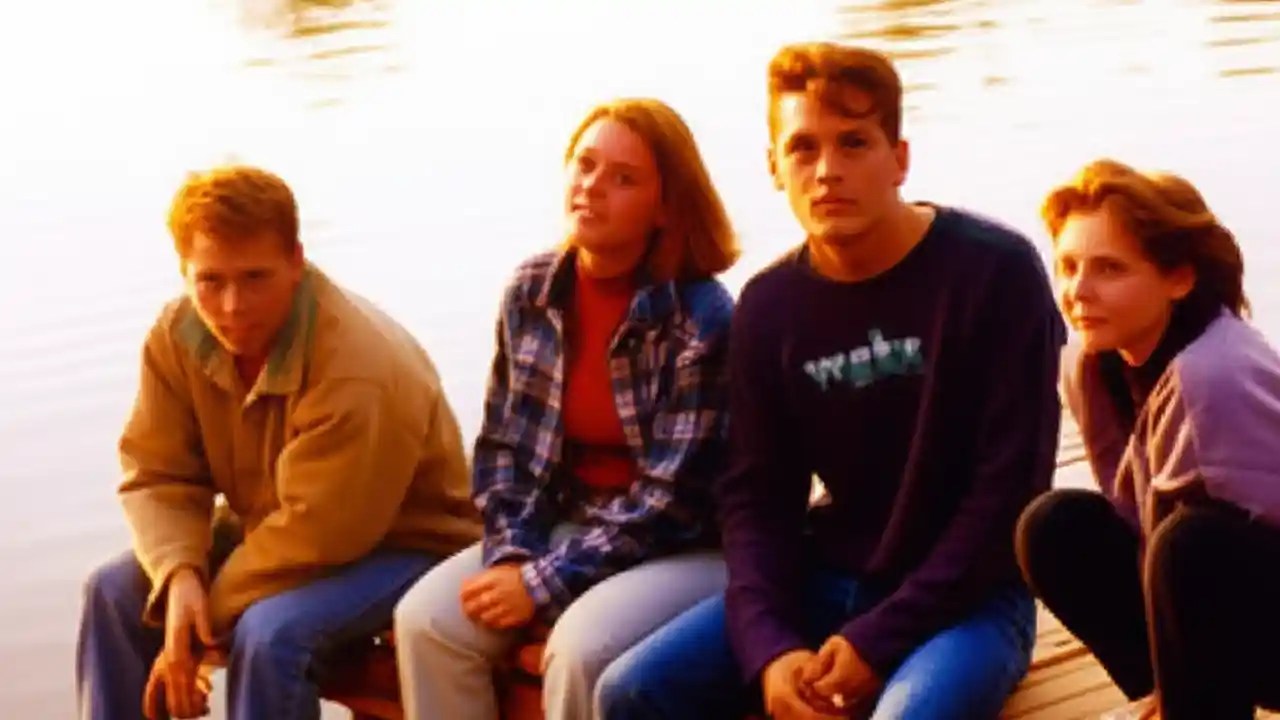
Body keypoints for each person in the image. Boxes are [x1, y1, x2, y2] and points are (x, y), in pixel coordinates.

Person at [596, 41, 1066, 720]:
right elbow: (757, 497)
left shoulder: (995, 273)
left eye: (854, 144)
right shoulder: (769, 306)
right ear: (773, 167)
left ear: (899, 158)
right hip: (827, 579)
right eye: (803, 149)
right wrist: (769, 647)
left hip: (973, 598)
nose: (827, 172)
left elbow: (1007, 494)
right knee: (632, 692)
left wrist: (876, 640)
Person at [75, 165, 481, 720]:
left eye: (255, 278)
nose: (232, 306)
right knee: (113, 592)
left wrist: (192, 625)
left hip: (404, 543)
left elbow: (322, 532)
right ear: (183, 271)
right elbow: (158, 473)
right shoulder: (176, 337)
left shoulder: (357, 365)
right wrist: (179, 576)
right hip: (272, 530)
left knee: (271, 634)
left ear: (296, 260)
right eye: (210, 281)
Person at [391, 97, 740, 720]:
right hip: (562, 529)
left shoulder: (703, 319)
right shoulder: (533, 290)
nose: (592, 187)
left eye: (623, 178)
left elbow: (671, 501)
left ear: (665, 208)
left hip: (686, 550)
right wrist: (514, 556)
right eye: (585, 165)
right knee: (426, 623)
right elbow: (504, 452)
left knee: (580, 651)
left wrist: (541, 583)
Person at [1014, 159, 1280, 720]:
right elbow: (1137, 520)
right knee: (1054, 525)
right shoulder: (1092, 363)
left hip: (1258, 610)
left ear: (1178, 278)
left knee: (1192, 543)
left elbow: (1210, 553)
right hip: (1225, 610)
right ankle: (1162, 702)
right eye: (1067, 267)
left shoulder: (1217, 374)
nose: (1077, 291)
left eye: (1108, 269)